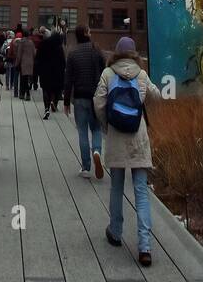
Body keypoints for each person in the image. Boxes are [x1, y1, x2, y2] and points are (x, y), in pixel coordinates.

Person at [93, 36, 162, 266]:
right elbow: (156, 97)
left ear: (116, 52)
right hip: (138, 138)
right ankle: (144, 246)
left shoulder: (108, 73)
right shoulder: (141, 74)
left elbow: (99, 103)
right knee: (141, 192)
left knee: (116, 187)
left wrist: (106, 125)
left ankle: (115, 231)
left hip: (116, 137)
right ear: (133, 52)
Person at [63, 25, 105, 175]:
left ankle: (86, 167)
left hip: (79, 97)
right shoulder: (97, 51)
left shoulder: (72, 53)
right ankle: (97, 152)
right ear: (87, 33)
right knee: (96, 129)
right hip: (95, 97)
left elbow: (68, 80)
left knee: (82, 131)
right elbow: (104, 74)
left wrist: (66, 101)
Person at [34, 25, 65, 119]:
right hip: (57, 72)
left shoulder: (43, 44)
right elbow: (63, 61)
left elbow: (38, 58)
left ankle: (46, 108)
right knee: (56, 89)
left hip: (45, 71)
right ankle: (54, 102)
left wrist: (38, 69)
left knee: (45, 89)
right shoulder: (59, 48)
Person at [16, 28, 36, 100]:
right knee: (26, 79)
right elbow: (34, 53)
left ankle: (26, 94)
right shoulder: (31, 42)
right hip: (30, 63)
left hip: (23, 63)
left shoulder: (22, 42)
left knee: (23, 79)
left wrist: (17, 63)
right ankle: (23, 94)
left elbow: (19, 54)